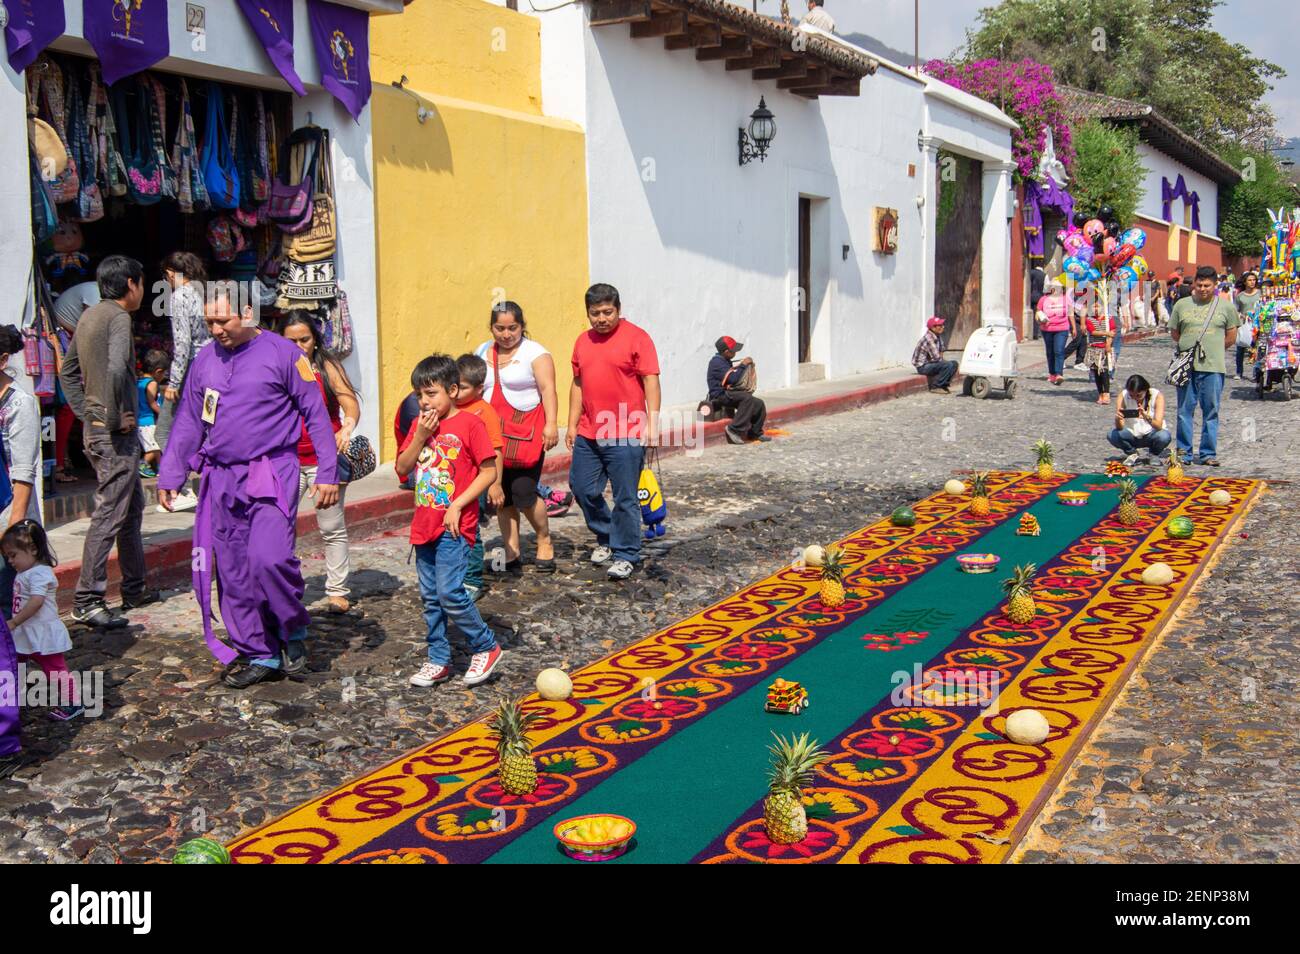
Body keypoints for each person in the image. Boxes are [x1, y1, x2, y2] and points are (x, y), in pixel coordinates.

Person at [157, 289, 339, 689]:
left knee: (269, 559)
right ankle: (259, 651)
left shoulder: (286, 354)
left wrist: (328, 472)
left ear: (247, 313)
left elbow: (316, 414)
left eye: (223, 321)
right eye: (209, 322)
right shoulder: (205, 359)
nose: (216, 329)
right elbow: (189, 419)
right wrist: (169, 474)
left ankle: (291, 629)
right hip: (220, 478)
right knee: (235, 569)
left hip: (271, 470)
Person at [395, 354, 503, 688]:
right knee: (429, 597)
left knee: (450, 592)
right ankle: (438, 658)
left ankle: (486, 645)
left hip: (455, 525)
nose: (425, 402)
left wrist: (458, 504)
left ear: (453, 390)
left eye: (431, 394)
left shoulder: (471, 424)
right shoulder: (419, 426)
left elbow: (488, 472)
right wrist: (419, 436)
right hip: (423, 524)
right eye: (419, 396)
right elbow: (402, 468)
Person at [59, 256, 154, 629]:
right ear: (131, 284)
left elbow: (67, 373)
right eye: (142, 283)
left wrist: (88, 413)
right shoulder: (117, 317)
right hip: (116, 435)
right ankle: (87, 599)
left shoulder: (88, 315)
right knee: (111, 513)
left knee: (130, 510)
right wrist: (111, 417)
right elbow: (116, 368)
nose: (142, 290)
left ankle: (134, 588)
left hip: (100, 429)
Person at [567, 283, 661, 581]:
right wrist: (571, 423)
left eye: (608, 312)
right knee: (582, 487)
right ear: (588, 314)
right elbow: (578, 384)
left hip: (627, 430)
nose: (602, 318)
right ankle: (607, 534)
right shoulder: (583, 341)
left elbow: (651, 381)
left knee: (625, 497)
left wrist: (653, 424)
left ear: (618, 310)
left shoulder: (638, 337)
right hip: (589, 430)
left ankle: (626, 553)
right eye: (595, 313)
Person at [279, 315, 360, 614]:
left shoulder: (328, 367)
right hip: (285, 460)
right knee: (279, 526)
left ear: (315, 339)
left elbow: (349, 402)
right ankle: (285, 586)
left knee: (332, 527)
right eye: (292, 341)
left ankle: (337, 591)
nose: (299, 346)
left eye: (305, 339)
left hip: (323, 461)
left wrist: (347, 425)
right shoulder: (276, 368)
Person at [475, 302, 559, 576]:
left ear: (522, 326)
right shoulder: (482, 351)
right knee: (502, 496)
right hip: (490, 435)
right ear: (491, 328)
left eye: (513, 328)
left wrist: (551, 424)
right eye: (500, 328)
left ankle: (543, 538)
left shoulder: (535, 353)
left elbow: (548, 389)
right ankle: (511, 552)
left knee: (523, 493)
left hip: (525, 434)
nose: (506, 334)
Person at [1, 521, 82, 720]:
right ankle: (10, 700)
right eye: (7, 556)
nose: (10, 561)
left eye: (13, 555)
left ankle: (72, 703)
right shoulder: (25, 572)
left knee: (54, 669)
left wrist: (14, 622)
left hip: (42, 632)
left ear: (33, 550)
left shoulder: (40, 573)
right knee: (14, 664)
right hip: (26, 630)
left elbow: (36, 602)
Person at [155, 252, 210, 512]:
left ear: (170, 273)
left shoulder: (179, 297)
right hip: (212, 366)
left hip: (191, 370)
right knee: (208, 426)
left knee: (166, 430)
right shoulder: (204, 291)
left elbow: (183, 343)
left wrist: (174, 382)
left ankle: (181, 486)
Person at [1168, 265, 1239, 467]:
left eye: (1207, 285)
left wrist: (1213, 349)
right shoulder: (1182, 305)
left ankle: (1208, 453)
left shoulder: (1226, 307)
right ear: (1194, 284)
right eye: (1199, 285)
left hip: (1213, 367)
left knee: (1211, 410)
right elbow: (1175, 333)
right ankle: (1184, 453)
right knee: (1184, 411)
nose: (1203, 289)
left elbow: (1231, 337)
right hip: (1186, 367)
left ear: (1215, 285)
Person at [455, 353, 507, 598]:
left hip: (476, 482)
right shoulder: (451, 407)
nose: (455, 391)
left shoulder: (484, 413)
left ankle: (473, 580)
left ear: (479, 388)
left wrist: (496, 484)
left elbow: (496, 450)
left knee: (470, 531)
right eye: (453, 385)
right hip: (451, 481)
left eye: (462, 387)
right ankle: (454, 574)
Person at [0, 326, 42, 620]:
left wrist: (12, 531)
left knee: (7, 596)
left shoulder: (19, 404)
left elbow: (24, 471)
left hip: (7, 514)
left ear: (3, 359)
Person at [708, 336, 770, 442]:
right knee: (747, 398)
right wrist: (743, 365)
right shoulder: (717, 363)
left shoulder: (724, 360)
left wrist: (744, 366)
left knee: (759, 403)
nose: (735, 353)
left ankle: (755, 433)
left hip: (730, 392)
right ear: (727, 352)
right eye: (734, 351)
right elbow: (733, 379)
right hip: (720, 395)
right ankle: (734, 429)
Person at [1108, 374, 1171, 466]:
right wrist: (1118, 419)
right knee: (1112, 435)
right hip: (1132, 434)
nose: (1135, 398)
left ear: (1145, 390)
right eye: (1131, 395)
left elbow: (1158, 426)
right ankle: (1132, 453)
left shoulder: (1157, 395)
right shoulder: (1123, 396)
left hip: (1151, 433)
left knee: (1164, 436)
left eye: (1138, 395)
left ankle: (1154, 454)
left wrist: (1146, 416)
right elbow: (1120, 427)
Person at [136, 349, 168, 479]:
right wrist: (165, 415)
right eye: (164, 373)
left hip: (140, 420)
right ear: (158, 371)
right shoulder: (152, 383)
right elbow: (152, 403)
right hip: (148, 421)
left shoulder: (138, 382)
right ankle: (142, 463)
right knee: (155, 447)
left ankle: (162, 468)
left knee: (155, 446)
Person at [1034, 279, 1071, 385]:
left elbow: (1070, 314)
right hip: (1047, 329)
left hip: (1062, 328)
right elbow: (1038, 312)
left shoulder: (1065, 299)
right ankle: (1052, 373)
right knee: (1050, 352)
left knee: (1059, 350)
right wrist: (1040, 319)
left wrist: (1074, 327)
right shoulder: (1043, 299)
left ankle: (1059, 374)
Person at [911, 316, 957, 393]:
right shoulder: (929, 338)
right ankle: (936, 386)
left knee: (954, 364)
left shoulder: (937, 336)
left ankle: (944, 385)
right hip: (922, 366)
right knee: (948, 365)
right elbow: (937, 358)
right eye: (940, 325)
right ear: (933, 328)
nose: (943, 327)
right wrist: (944, 363)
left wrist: (944, 362)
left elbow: (941, 350)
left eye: (942, 325)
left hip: (931, 363)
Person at [1085, 300, 1115, 404]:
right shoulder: (1089, 319)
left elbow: (1112, 332)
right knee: (1097, 372)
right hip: (1094, 349)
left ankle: (1106, 393)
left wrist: (1108, 344)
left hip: (1105, 348)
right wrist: (1107, 333)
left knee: (1104, 371)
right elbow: (1093, 332)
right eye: (1094, 307)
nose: (1096, 309)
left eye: (1098, 306)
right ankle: (1100, 393)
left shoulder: (1109, 319)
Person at [1234, 271, 1261, 380]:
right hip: (1244, 325)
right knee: (1240, 349)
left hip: (1258, 325)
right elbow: (1235, 310)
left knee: (1257, 350)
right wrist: (1242, 316)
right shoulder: (1240, 296)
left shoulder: (1260, 293)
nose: (1252, 282)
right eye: (1249, 280)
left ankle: (1257, 373)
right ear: (1245, 282)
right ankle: (1239, 372)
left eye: (1254, 280)